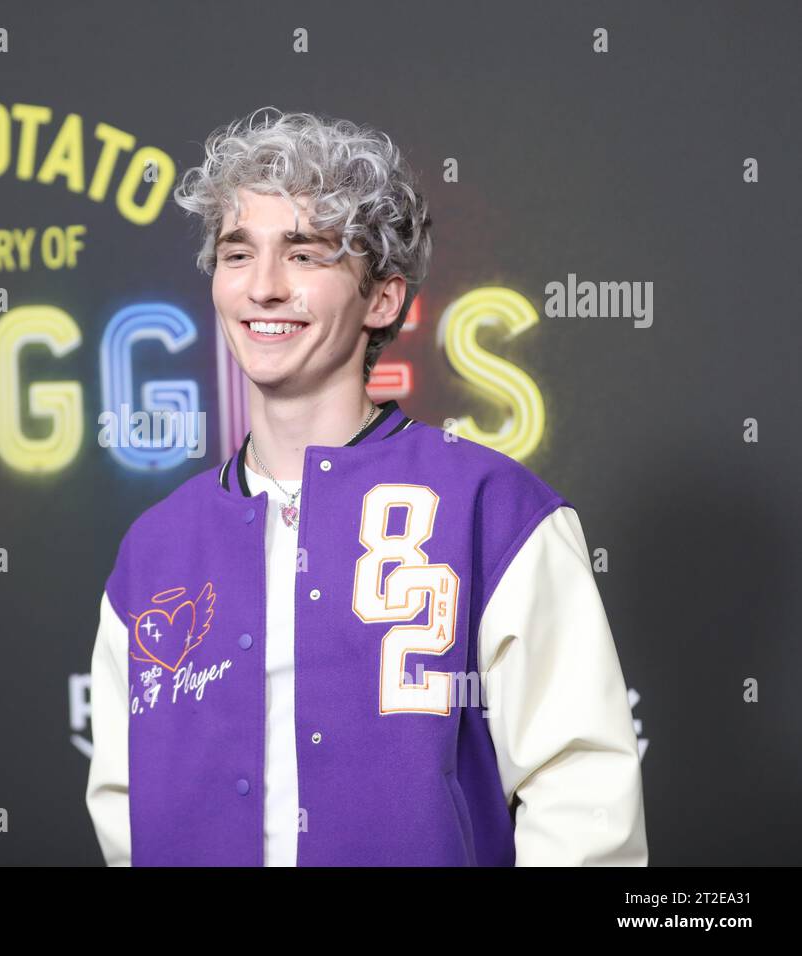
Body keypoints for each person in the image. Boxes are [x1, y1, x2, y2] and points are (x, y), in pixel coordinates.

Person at [85, 107, 647, 866]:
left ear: (381, 298)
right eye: (237, 252)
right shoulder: (154, 548)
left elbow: (582, 797)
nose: (264, 288)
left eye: (306, 255)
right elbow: (126, 810)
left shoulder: (495, 509)